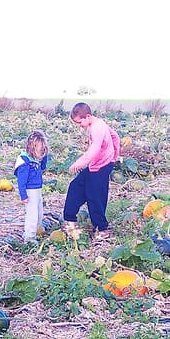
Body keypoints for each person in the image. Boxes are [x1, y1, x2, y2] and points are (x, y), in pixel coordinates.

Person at [64, 102, 120, 240]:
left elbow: (95, 148)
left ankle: (102, 229)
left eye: (80, 122)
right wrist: (114, 156)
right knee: (76, 186)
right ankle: (70, 221)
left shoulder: (97, 128)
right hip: (96, 165)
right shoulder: (99, 123)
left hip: (100, 166)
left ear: (88, 116)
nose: (79, 125)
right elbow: (115, 137)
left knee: (95, 197)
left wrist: (79, 163)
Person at [14, 130, 50, 243]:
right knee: (32, 215)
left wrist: (44, 156)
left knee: (39, 213)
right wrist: (23, 195)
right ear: (32, 148)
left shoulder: (36, 159)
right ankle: (29, 238)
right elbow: (21, 181)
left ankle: (35, 231)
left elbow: (43, 167)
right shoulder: (25, 162)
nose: (42, 153)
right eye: (41, 150)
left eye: (44, 150)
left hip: (37, 190)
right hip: (30, 191)